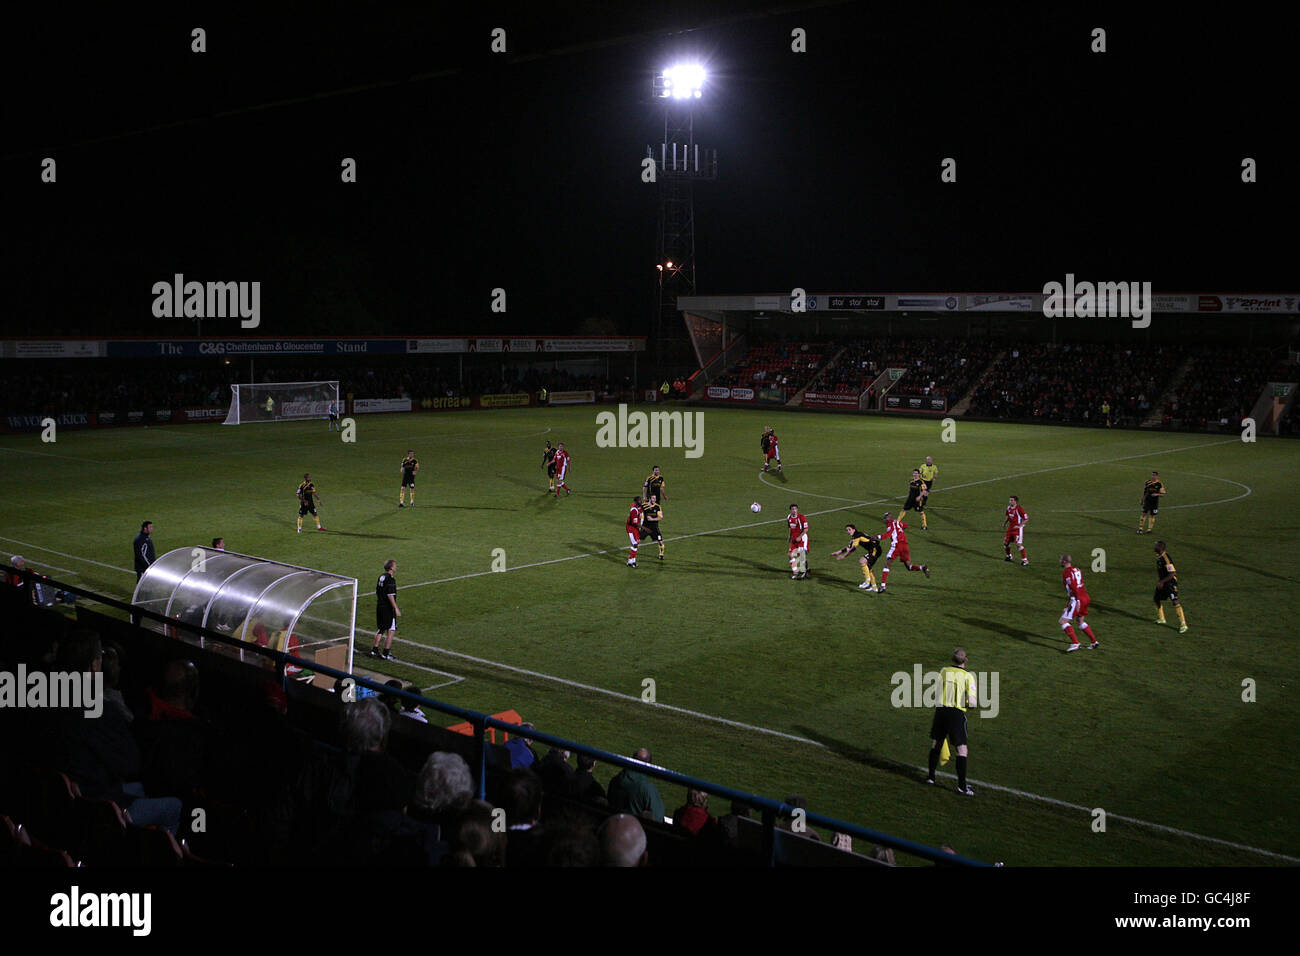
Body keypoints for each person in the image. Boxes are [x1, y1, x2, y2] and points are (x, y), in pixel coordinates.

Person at [925, 647, 977, 796]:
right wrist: (967, 704)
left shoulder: (944, 671)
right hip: (956, 714)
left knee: (937, 743)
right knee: (962, 749)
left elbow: (937, 691)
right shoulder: (968, 676)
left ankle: (930, 777)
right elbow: (972, 703)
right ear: (965, 660)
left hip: (941, 711)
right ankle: (962, 786)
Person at [606, 748, 667, 822]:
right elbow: (658, 818)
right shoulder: (647, 789)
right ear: (649, 765)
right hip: (635, 830)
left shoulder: (615, 780)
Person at [877, 512, 929, 592]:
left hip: (897, 545)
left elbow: (887, 535)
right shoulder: (898, 523)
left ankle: (883, 586)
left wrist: (877, 537)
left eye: (885, 518)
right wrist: (899, 531)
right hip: (905, 545)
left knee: (887, 564)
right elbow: (906, 525)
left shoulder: (890, 524)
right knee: (909, 566)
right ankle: (922, 567)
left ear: (889, 518)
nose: (884, 520)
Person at [1059, 554, 1099, 652]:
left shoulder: (1066, 572)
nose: (1059, 561)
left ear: (1064, 562)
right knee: (1080, 621)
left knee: (1063, 622)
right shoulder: (1077, 569)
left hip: (1077, 598)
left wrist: (1076, 601)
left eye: (1060, 560)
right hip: (1085, 596)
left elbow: (1073, 586)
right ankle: (1094, 642)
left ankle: (1075, 643)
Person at [831, 524, 882, 591]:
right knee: (868, 567)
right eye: (847, 530)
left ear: (854, 529)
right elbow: (850, 547)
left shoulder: (857, 536)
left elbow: (853, 548)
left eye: (849, 529)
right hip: (874, 550)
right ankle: (874, 587)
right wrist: (838, 552)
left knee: (862, 561)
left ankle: (867, 581)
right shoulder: (855, 537)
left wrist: (843, 556)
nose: (848, 531)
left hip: (875, 550)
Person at [1152, 540, 1189, 633]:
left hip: (1170, 583)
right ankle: (1162, 619)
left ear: (1160, 548)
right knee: (1156, 598)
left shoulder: (1166, 558)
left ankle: (1183, 624)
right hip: (1163, 582)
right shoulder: (1159, 557)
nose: (1154, 547)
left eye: (1156, 546)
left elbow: (1172, 573)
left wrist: (1162, 582)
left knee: (1175, 601)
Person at [369, 559, 400, 660]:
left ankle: (374, 650)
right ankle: (386, 653)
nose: (396, 567)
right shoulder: (390, 579)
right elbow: (390, 595)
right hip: (388, 608)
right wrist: (395, 608)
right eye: (395, 565)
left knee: (381, 628)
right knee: (391, 630)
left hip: (380, 605)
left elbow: (377, 591)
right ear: (391, 568)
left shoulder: (381, 577)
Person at [1138, 470, 1166, 535]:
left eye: (1154, 475)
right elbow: (1144, 492)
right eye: (1152, 475)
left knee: (1152, 515)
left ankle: (1149, 530)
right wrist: (1142, 500)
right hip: (1147, 501)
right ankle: (1140, 528)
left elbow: (1163, 494)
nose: (1153, 476)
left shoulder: (1159, 484)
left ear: (1157, 476)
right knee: (1144, 514)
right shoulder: (1147, 482)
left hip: (1154, 502)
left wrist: (1157, 494)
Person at [1002, 495, 1028, 565]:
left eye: (1012, 500)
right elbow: (1008, 516)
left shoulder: (1019, 509)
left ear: (1015, 501)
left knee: (1018, 544)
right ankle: (1009, 556)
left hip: (1018, 529)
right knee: (1005, 543)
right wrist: (1004, 523)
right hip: (1010, 528)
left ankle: (1025, 560)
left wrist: (1019, 526)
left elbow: (1026, 519)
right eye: (1010, 500)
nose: (1010, 501)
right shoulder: (1008, 508)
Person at [787, 503, 809, 579]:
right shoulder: (789, 517)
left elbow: (806, 529)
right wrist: (789, 536)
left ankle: (804, 571)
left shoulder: (801, 517)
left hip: (802, 539)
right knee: (790, 555)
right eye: (793, 509)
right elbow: (790, 528)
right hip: (794, 540)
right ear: (790, 510)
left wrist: (800, 537)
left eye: (796, 509)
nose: (794, 510)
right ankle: (796, 571)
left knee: (800, 556)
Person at [641, 494, 665, 561]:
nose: (654, 500)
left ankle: (661, 554)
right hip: (645, 527)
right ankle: (633, 557)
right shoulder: (643, 506)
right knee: (637, 541)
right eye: (653, 498)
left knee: (660, 541)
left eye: (655, 498)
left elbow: (660, 517)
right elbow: (639, 513)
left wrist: (652, 519)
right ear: (649, 498)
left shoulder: (657, 507)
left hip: (654, 527)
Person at [625, 496, 644, 568]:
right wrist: (643, 527)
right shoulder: (634, 510)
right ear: (636, 502)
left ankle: (630, 561)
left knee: (636, 544)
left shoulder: (639, 507)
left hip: (636, 528)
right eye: (639, 501)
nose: (640, 501)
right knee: (635, 544)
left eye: (640, 500)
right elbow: (634, 523)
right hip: (631, 529)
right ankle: (633, 561)